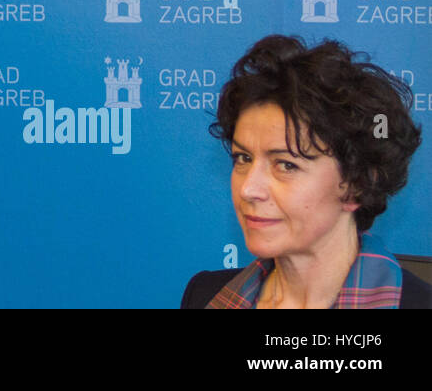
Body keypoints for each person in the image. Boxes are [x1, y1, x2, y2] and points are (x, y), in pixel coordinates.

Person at [182, 34, 428, 308]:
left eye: (286, 165)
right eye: (243, 158)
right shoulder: (204, 295)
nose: (248, 189)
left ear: (357, 184)